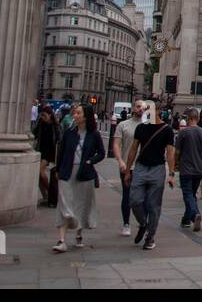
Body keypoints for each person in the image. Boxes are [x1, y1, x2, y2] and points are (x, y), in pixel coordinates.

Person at [53, 103, 105, 252]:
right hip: (66, 171)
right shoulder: (69, 132)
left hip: (84, 173)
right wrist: (57, 169)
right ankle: (61, 240)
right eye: (75, 113)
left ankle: (78, 232)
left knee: (82, 205)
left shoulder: (94, 134)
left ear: (85, 117)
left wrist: (90, 161)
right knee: (64, 202)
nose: (74, 115)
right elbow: (61, 152)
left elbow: (101, 153)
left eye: (78, 113)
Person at [124, 102, 176, 250]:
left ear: (159, 111)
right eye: (145, 109)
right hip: (140, 167)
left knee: (153, 205)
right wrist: (128, 170)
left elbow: (170, 153)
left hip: (157, 168)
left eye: (149, 109)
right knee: (134, 200)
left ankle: (150, 236)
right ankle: (143, 224)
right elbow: (134, 149)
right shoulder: (141, 128)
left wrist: (171, 174)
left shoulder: (167, 130)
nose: (145, 111)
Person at [176, 107, 202, 231]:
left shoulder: (183, 133)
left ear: (189, 118)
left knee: (187, 195)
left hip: (186, 169)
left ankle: (195, 214)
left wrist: (175, 165)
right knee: (192, 195)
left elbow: (177, 151)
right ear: (198, 118)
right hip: (199, 170)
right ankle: (186, 220)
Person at [113, 99, 143, 234]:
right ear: (133, 108)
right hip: (127, 166)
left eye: (142, 107)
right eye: (137, 106)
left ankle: (143, 222)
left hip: (143, 167)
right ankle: (126, 223)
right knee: (127, 196)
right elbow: (116, 144)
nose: (140, 109)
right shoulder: (123, 125)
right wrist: (120, 160)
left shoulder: (147, 125)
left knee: (142, 197)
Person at [34, 104, 60, 207]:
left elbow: (59, 139)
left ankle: (50, 193)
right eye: (41, 115)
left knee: (40, 172)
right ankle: (46, 196)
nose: (43, 117)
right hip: (41, 149)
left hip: (50, 152)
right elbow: (34, 133)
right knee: (38, 176)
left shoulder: (55, 126)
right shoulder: (40, 124)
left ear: (50, 115)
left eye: (44, 115)